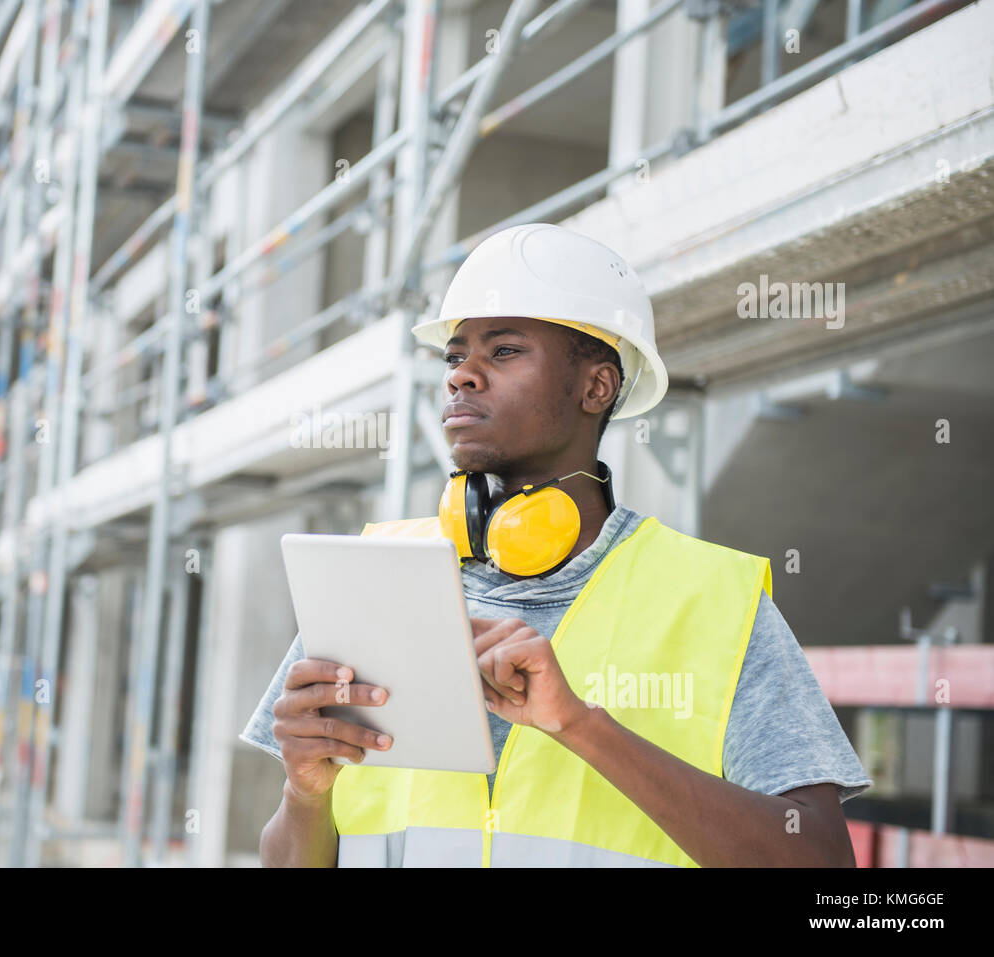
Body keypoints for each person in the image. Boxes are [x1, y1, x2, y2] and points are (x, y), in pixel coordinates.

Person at [241, 223, 871, 867]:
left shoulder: (713, 601)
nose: (463, 377)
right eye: (454, 357)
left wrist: (578, 724)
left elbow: (820, 866)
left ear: (596, 387)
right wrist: (305, 795)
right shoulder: (372, 576)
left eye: (504, 351)